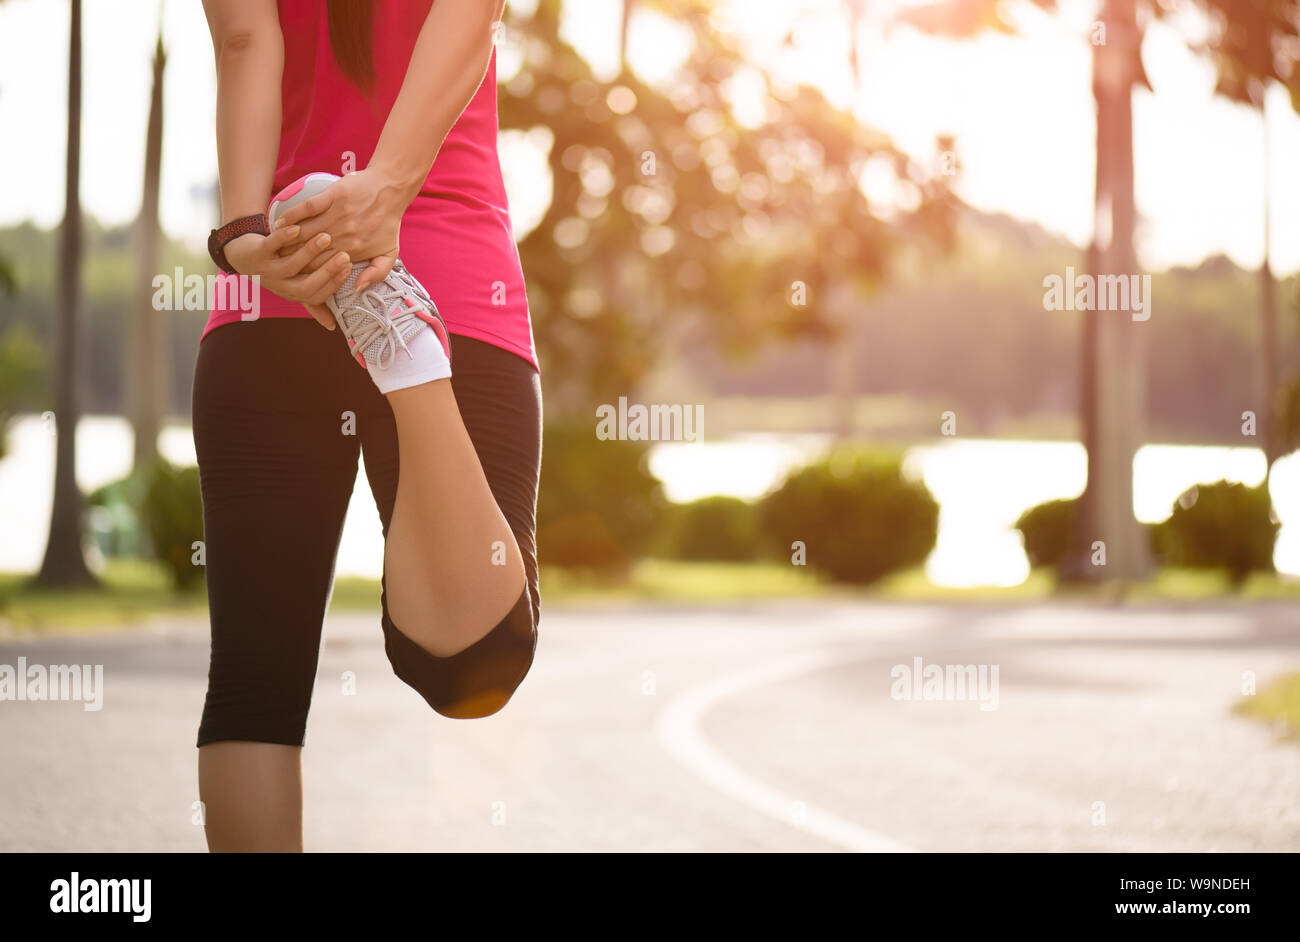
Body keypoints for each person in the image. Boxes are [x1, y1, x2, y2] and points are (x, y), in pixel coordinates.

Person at [195, 0, 540, 852]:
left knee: (253, 686)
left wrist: (244, 240)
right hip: (447, 270)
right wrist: (383, 193)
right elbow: (467, 22)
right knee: (473, 669)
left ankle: (403, 348)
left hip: (275, 278)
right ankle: (411, 360)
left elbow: (244, 41)